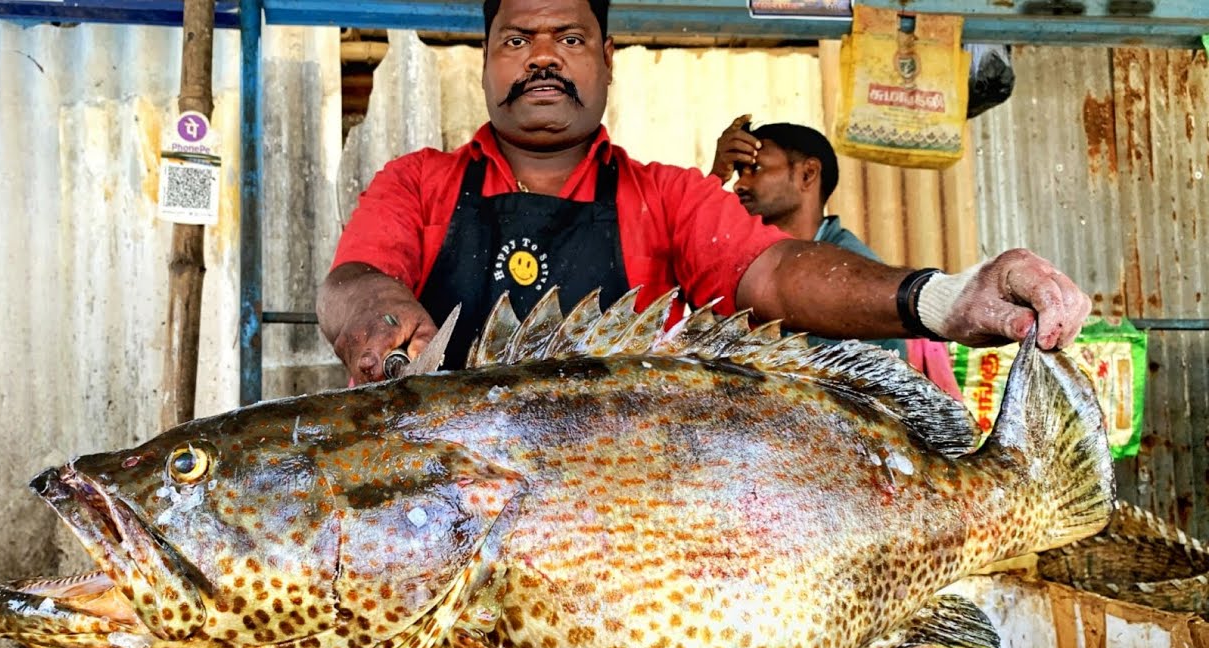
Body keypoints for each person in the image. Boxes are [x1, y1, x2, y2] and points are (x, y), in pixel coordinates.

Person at [317, 0, 1091, 385]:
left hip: (630, 518)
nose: (543, 59)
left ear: (608, 60)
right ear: (487, 61)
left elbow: (777, 270)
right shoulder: (417, 180)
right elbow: (352, 283)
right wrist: (381, 327)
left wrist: (942, 300)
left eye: (571, 39)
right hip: (441, 521)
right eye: (517, 40)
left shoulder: (667, 198)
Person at [710, 115, 906, 358]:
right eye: (740, 173)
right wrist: (714, 180)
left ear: (808, 174)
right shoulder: (737, 258)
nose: (739, 184)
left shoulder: (853, 274)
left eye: (755, 169)